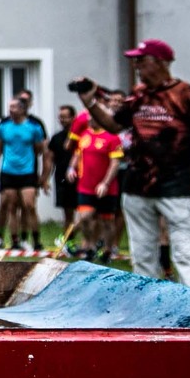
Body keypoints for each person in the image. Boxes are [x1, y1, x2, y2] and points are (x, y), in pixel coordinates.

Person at [73, 39, 190, 288]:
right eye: (135, 60)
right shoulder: (139, 96)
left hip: (176, 189)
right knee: (142, 257)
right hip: (137, 188)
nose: (137, 65)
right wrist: (90, 101)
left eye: (142, 60)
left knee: (185, 255)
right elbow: (114, 125)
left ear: (162, 62)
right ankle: (149, 313)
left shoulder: (186, 94)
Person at [69, 92, 124, 261]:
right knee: (85, 217)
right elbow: (78, 153)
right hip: (85, 185)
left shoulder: (112, 137)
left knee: (107, 221)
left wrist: (105, 183)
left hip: (106, 187)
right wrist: (71, 168)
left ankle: (108, 249)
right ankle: (90, 246)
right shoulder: (85, 135)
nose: (89, 119)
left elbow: (115, 163)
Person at [0, 97, 46, 251]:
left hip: (27, 171)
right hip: (8, 171)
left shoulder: (34, 127)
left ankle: (36, 240)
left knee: (29, 205)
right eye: (10, 107)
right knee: (11, 205)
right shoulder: (4, 126)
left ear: (22, 109)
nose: (11, 110)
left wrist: (42, 174)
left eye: (14, 107)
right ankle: (14, 241)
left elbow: (40, 149)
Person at [48, 105, 78, 246]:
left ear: (73, 117)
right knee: (67, 213)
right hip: (62, 178)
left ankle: (88, 242)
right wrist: (45, 178)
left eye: (65, 116)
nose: (63, 120)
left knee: (87, 213)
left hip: (81, 178)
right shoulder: (56, 138)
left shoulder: (81, 136)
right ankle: (68, 242)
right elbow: (50, 159)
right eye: (60, 117)